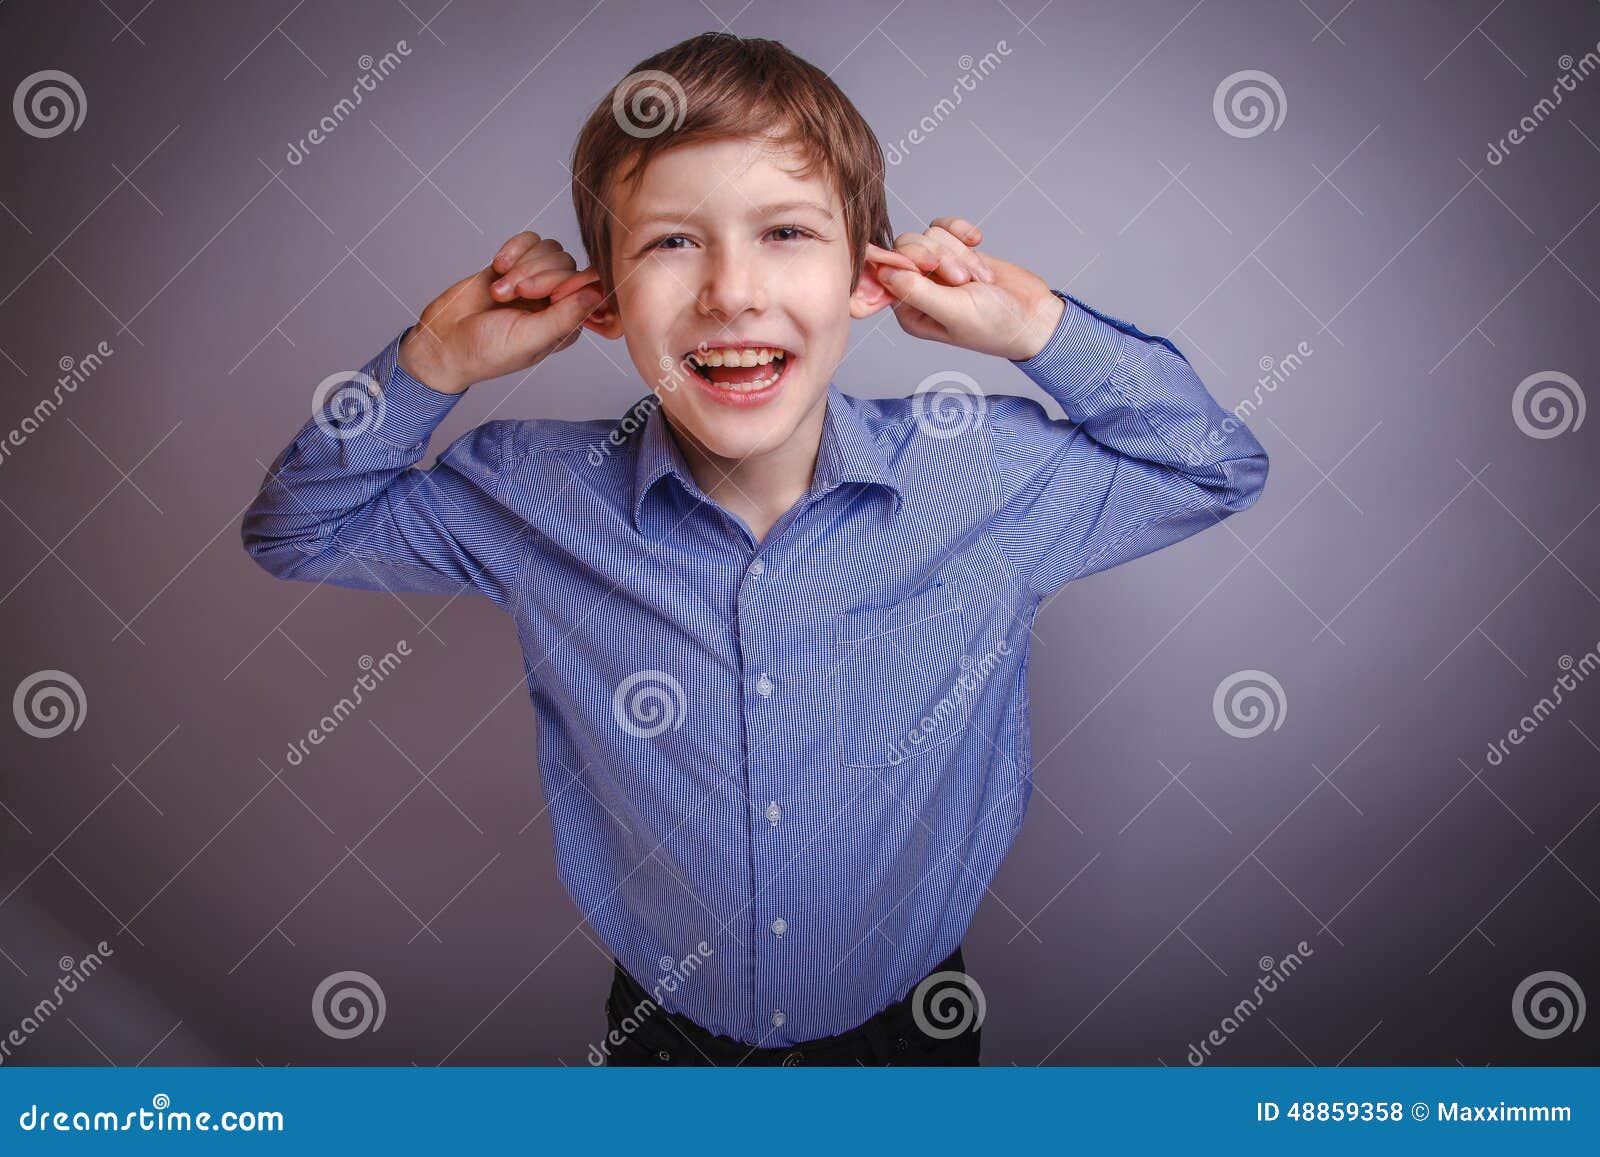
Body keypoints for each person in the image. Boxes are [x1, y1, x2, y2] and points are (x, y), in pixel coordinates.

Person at [241, 30, 1268, 1066]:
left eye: (784, 232)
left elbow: (1213, 466)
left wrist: (1035, 326)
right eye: (671, 243)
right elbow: (299, 527)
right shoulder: (532, 491)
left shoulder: (983, 474)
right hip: (664, 1034)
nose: (730, 291)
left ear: (871, 278)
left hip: (910, 1026)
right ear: (602, 301)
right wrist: (434, 360)